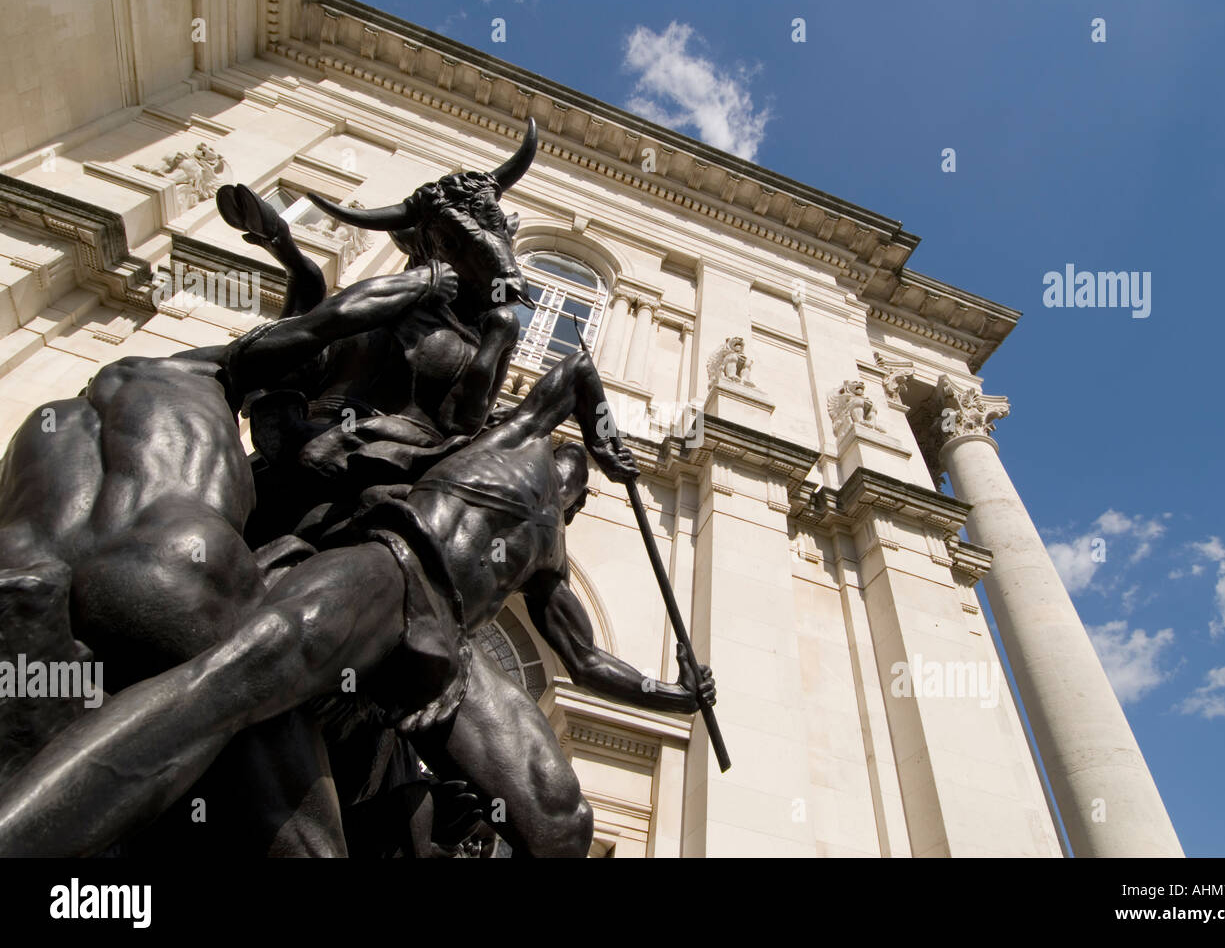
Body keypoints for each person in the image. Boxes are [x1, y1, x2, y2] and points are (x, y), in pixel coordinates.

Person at [0, 349, 715, 857]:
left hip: (448, 651)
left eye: (581, 490)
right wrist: (603, 430)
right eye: (580, 476)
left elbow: (586, 663)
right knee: (219, 689)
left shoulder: (550, 553)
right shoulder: (514, 438)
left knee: (561, 822)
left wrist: (675, 692)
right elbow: (578, 369)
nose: (578, 490)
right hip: (390, 575)